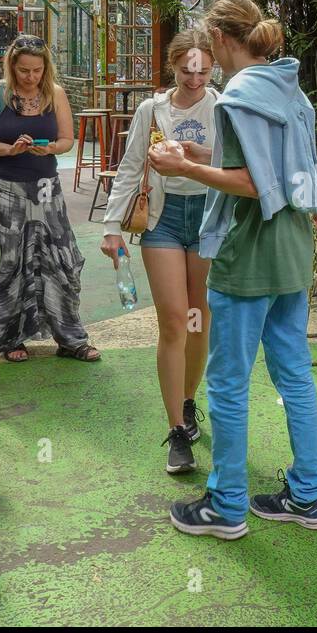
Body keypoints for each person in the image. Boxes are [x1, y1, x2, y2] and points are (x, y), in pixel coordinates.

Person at [147, 0, 317, 541]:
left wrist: (187, 171)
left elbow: (251, 183)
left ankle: (226, 507)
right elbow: (269, 165)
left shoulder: (239, 95)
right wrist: (196, 156)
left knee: (228, 383)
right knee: (294, 373)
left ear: (222, 39)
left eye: (211, 46)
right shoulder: (288, 87)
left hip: (249, 251)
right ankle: (308, 494)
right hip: (294, 248)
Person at [100, 30, 218, 475]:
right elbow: (132, 166)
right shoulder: (153, 109)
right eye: (187, 70)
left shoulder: (220, 106)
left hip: (207, 216)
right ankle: (175, 430)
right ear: (172, 65)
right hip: (163, 218)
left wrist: (194, 157)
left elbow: (231, 164)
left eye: (203, 70)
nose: (194, 78)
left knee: (198, 318)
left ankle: (189, 403)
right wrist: (112, 227)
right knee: (173, 319)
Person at [0, 33, 100, 364]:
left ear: (46, 68)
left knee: (58, 259)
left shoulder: (54, 94)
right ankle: (9, 337)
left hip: (44, 189)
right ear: (13, 67)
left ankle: (70, 337)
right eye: (24, 71)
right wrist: (9, 150)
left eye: (37, 70)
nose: (30, 77)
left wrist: (51, 147)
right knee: (5, 263)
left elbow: (67, 139)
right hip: (2, 188)